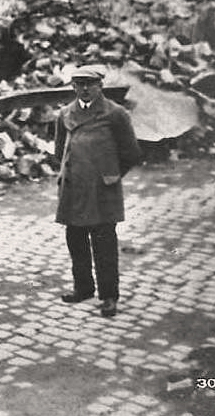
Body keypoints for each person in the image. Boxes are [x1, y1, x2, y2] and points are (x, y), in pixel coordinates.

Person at [54, 64, 142, 318]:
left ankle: (109, 296)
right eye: (79, 84)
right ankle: (83, 288)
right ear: (73, 87)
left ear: (100, 86)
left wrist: (110, 176)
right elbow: (59, 151)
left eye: (89, 84)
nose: (84, 89)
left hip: (102, 190)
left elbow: (131, 153)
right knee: (76, 241)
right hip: (74, 189)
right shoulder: (65, 113)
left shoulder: (115, 113)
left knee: (104, 245)